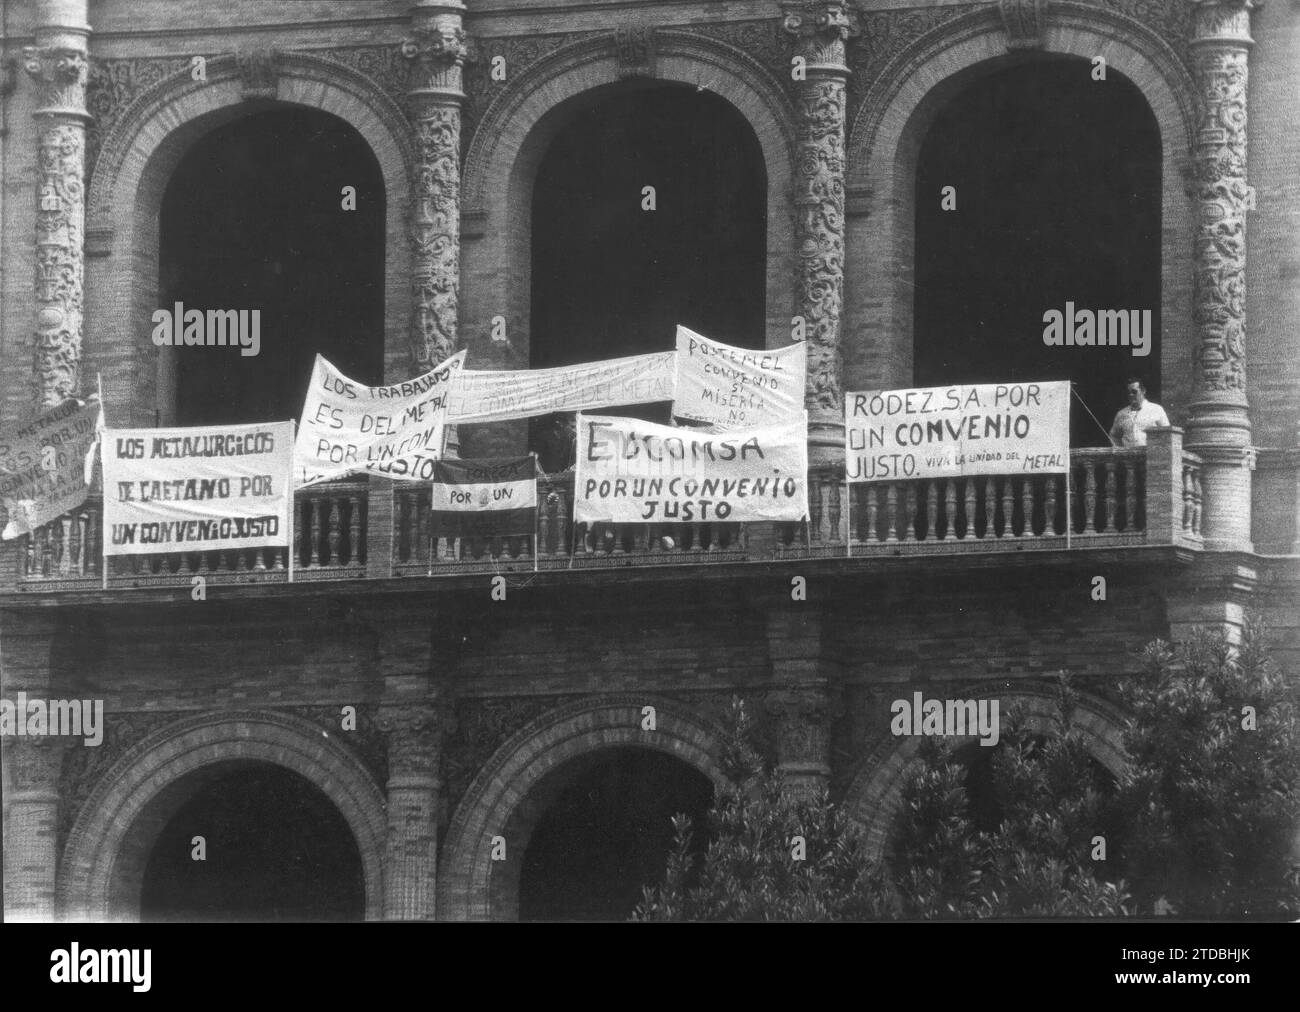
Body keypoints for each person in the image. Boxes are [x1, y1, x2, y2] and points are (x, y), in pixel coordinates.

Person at [1109, 378, 1170, 448]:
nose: (1131, 395)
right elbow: (1114, 436)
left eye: (1134, 392)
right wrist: (1120, 450)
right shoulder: (1121, 414)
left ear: (1143, 391)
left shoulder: (1157, 409)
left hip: (1151, 456)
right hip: (1128, 457)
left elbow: (1167, 434)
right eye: (1128, 392)